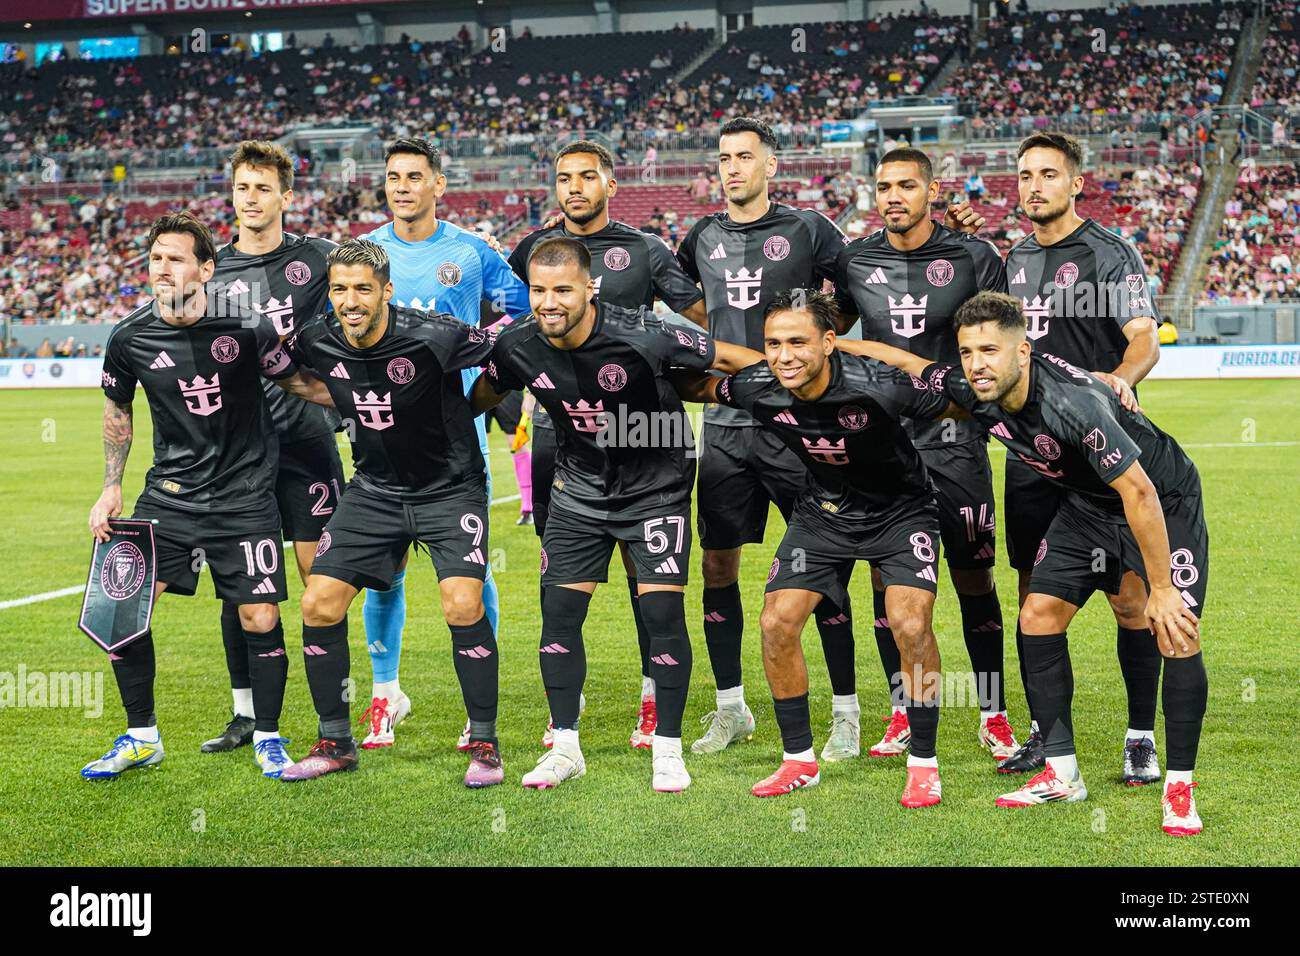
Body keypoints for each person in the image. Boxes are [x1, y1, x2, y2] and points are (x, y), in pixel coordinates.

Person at [838, 291, 1209, 836]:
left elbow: (1140, 494)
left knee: (1174, 629)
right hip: (1086, 507)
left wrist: (1161, 586)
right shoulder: (976, 389)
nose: (976, 364)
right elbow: (913, 364)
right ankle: (1062, 772)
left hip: (1161, 500)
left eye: (990, 350)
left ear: (1023, 353)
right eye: (967, 352)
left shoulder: (1074, 404)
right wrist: (838, 347)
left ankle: (1179, 788)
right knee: (1037, 618)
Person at [472, 236, 760, 792]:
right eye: (537, 290)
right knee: (558, 617)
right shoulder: (517, 344)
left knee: (661, 618)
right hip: (580, 491)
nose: (548, 302)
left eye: (562, 290)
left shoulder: (645, 332)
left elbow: (725, 358)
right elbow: (483, 393)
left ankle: (668, 751)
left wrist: (799, 373)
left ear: (590, 288)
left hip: (657, 488)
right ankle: (566, 748)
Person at [673, 291, 951, 808]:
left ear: (828, 343)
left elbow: (953, 399)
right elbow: (702, 384)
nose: (784, 356)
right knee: (776, 621)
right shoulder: (761, 386)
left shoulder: (877, 385)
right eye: (773, 344)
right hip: (822, 516)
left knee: (910, 624)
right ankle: (799, 760)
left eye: (798, 342)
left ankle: (924, 763)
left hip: (902, 513)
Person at [82, 213, 332, 781]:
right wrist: (110, 485)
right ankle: (141, 735)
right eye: (154, 259)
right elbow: (118, 410)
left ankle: (268, 736)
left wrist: (361, 402)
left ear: (207, 269)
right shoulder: (129, 337)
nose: (162, 269)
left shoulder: (246, 327)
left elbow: (297, 381)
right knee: (120, 610)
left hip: (246, 494)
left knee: (260, 614)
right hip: (168, 495)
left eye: (175, 258)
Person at [277, 240, 503, 787]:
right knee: (318, 603)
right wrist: (345, 397)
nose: (349, 301)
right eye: (338, 289)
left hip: (450, 489)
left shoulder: (435, 334)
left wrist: (466, 407)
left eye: (361, 288)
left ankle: (485, 742)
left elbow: (506, 357)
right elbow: (291, 372)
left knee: (461, 603)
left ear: (386, 290)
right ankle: (335, 742)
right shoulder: (317, 337)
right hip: (374, 491)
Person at [507, 140, 708, 750]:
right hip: (560, 429)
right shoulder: (532, 250)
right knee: (561, 569)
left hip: (643, 431)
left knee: (646, 579)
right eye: (564, 178)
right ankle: (566, 701)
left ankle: (653, 698)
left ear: (611, 184)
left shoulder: (645, 249)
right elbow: (521, 326)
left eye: (586, 177)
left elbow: (698, 316)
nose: (574, 188)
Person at [675, 117, 858, 759]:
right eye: (723, 158)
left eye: (745, 157)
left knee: (824, 567)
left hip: (802, 426)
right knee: (717, 564)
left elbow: (854, 295)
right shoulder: (701, 234)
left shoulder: (810, 229)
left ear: (771, 166)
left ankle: (846, 712)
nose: (732, 168)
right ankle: (731, 709)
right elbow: (692, 306)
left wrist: (817, 354)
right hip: (726, 427)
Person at [832, 147, 1018, 761]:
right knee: (890, 586)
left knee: (974, 579)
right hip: (883, 448)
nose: (892, 196)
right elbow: (830, 335)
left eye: (906, 186)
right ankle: (903, 710)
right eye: (883, 186)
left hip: (956, 443)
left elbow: (1002, 338)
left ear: (931, 192)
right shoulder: (855, 260)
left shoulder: (973, 255)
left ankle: (991, 710)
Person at [357, 138, 531, 750]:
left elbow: (526, 307)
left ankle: (475, 708)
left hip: (457, 438)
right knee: (382, 574)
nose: (402, 187)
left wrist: (486, 344)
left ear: (438, 184)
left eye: (414, 177)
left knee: (470, 574)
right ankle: (385, 693)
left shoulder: (471, 251)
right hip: (379, 436)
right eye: (393, 177)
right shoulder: (365, 253)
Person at [1004, 132, 1166, 782]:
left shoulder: (1108, 252)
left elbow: (1144, 339)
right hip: (1031, 457)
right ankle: (1049, 734)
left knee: (1129, 601)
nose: (1033, 185)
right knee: (1031, 598)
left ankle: (1139, 736)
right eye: (1024, 175)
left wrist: (1117, 380)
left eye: (1047, 174)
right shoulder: (1013, 257)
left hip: (1101, 456)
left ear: (1076, 183)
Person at [200, 140, 345, 755]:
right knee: (243, 591)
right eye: (242, 188)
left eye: (263, 188)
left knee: (321, 587)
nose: (251, 199)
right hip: (237, 454)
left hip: (307, 443)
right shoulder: (210, 272)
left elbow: (378, 270)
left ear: (288, 196)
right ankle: (247, 717)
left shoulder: (318, 258)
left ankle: (330, 719)